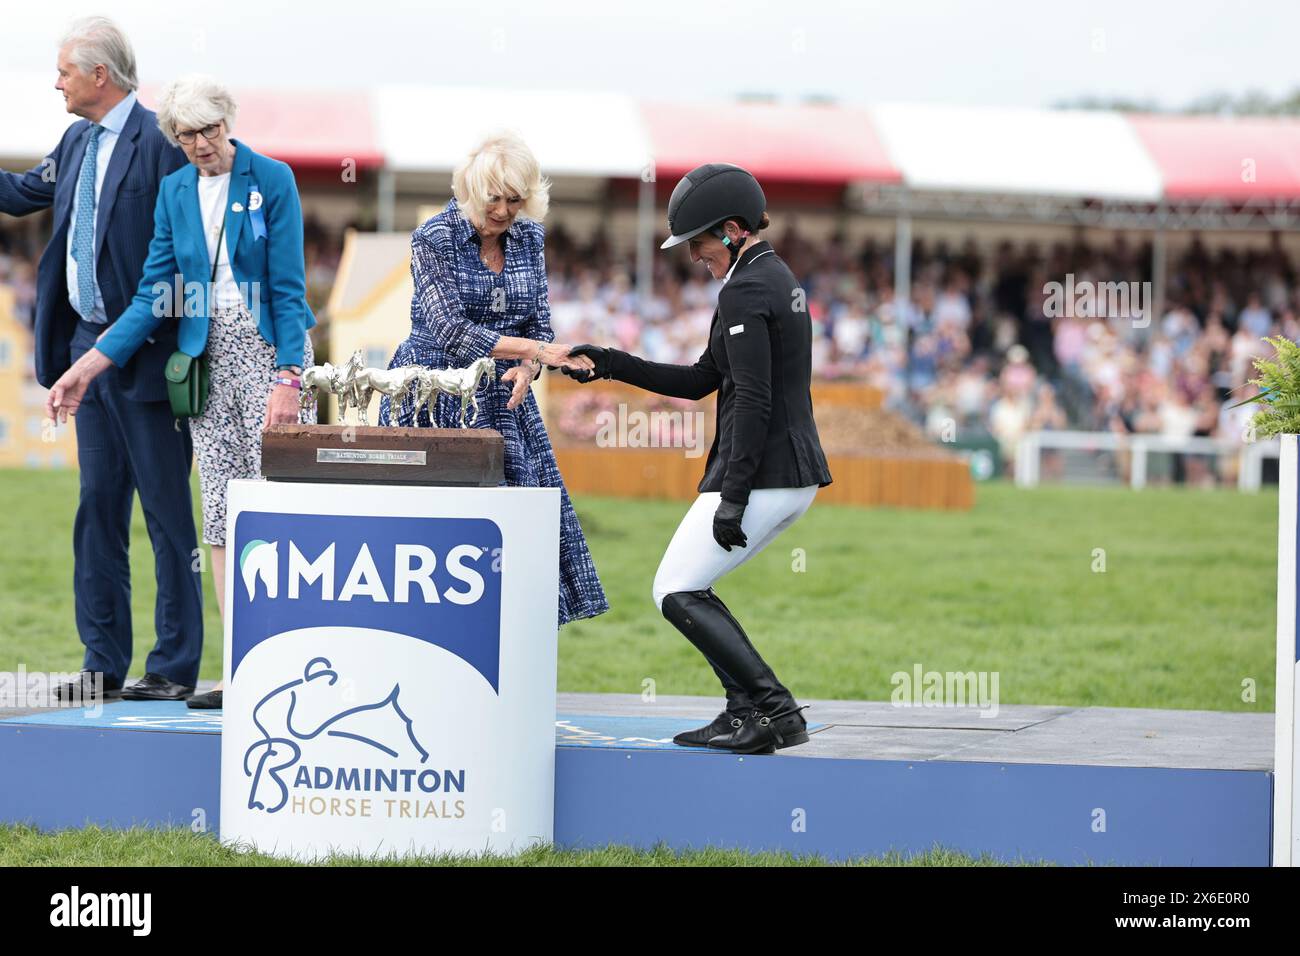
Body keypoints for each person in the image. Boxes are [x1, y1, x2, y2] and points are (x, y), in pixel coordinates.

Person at [47, 75, 318, 709]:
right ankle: (238, 668)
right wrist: (90, 365)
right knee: (221, 513)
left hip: (266, 352)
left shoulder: (272, 179)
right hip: (202, 357)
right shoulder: (173, 191)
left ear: (229, 121)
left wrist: (288, 375)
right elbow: (152, 294)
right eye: (187, 134)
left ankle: (292, 661)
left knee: (275, 510)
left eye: (210, 130)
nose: (200, 144)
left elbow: (288, 288)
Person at [564, 163, 832, 754]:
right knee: (691, 585)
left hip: (763, 475)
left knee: (674, 590)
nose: (693, 256)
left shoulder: (744, 288)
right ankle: (747, 712)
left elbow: (756, 400)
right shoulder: (772, 276)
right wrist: (608, 361)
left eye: (699, 242)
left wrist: (733, 495)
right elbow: (700, 380)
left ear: (733, 230)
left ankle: (773, 710)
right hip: (790, 474)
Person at [0, 17, 202, 702]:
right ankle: (102, 663)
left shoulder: (165, 145)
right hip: (83, 347)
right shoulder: (77, 140)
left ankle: (173, 665)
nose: (55, 81)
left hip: (150, 359)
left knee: (168, 516)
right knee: (98, 506)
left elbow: (182, 266)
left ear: (99, 75)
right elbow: (23, 194)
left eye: (63, 70)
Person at [379, 132, 609, 627]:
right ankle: (426, 631)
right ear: (471, 190)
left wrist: (529, 367)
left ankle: (507, 638)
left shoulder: (530, 238)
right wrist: (532, 351)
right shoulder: (434, 238)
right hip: (435, 391)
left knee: (517, 525)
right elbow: (450, 330)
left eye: (515, 199)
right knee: (435, 528)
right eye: (494, 199)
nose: (504, 211)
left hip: (505, 396)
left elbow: (539, 320)